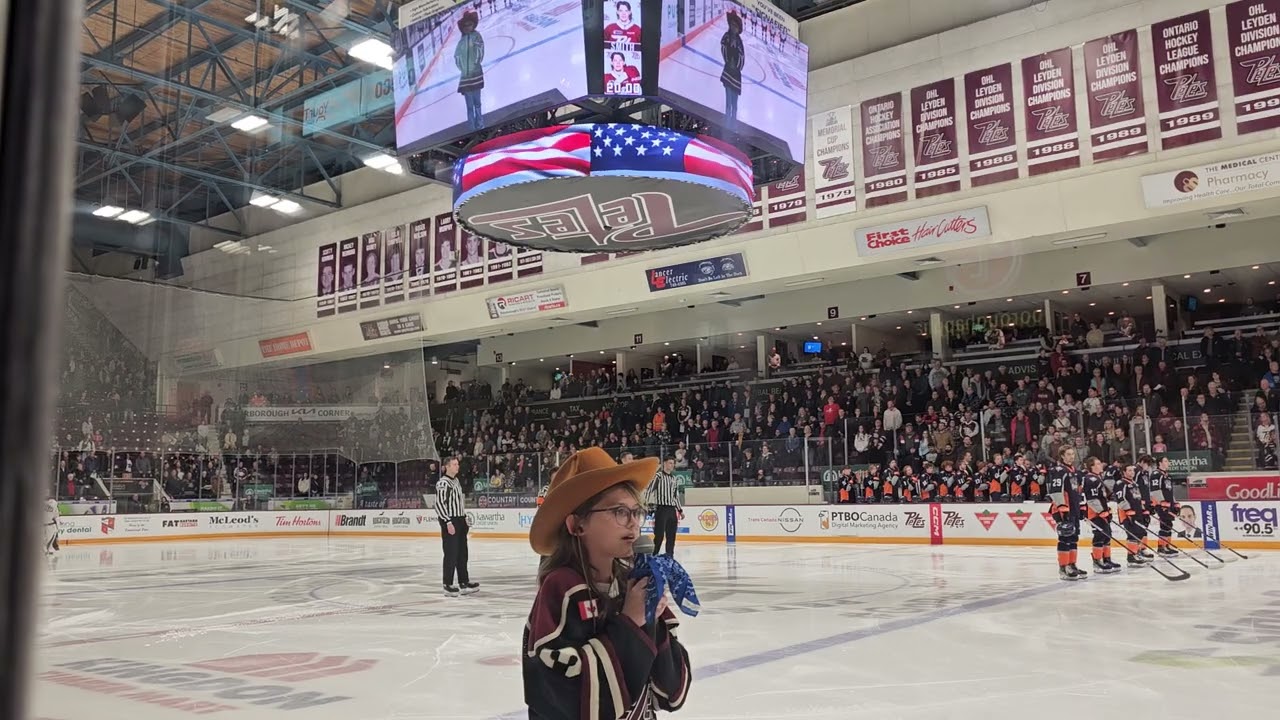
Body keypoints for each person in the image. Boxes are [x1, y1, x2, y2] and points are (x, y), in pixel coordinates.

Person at [524, 448, 692, 719]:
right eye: (620, 511)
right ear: (577, 525)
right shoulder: (561, 589)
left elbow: (670, 694)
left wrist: (652, 619)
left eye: (637, 512)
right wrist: (629, 622)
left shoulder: (631, 583)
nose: (633, 523)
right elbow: (562, 697)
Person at [435, 457, 478, 596]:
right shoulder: (443, 483)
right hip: (450, 520)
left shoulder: (456, 481)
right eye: (454, 464)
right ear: (447, 466)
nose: (457, 466)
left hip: (459, 520)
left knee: (462, 553)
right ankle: (447, 584)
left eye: (457, 464)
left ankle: (463, 582)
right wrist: (447, 522)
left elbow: (459, 503)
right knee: (451, 553)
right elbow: (439, 504)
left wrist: (464, 517)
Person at [1047, 447, 1087, 580]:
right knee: (1065, 538)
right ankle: (1063, 568)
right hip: (1063, 510)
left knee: (1074, 538)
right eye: (1068, 454)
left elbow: (1078, 492)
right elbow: (1056, 491)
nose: (1071, 457)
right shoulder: (1060, 471)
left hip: (1074, 509)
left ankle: (1072, 564)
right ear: (1062, 456)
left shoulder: (1075, 472)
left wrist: (1081, 508)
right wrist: (1063, 509)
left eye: (1073, 454)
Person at [1081, 456, 1121, 574]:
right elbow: (1092, 499)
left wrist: (1106, 510)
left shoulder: (1098, 478)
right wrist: (1101, 511)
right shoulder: (1091, 479)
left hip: (1102, 512)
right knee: (1099, 535)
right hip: (1095, 513)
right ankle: (1097, 561)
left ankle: (1106, 559)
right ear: (1092, 466)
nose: (1101, 465)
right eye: (1097, 463)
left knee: (1107, 535)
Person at [646, 457, 683, 556]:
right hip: (661, 509)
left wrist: (680, 510)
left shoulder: (674, 479)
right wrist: (646, 504)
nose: (672, 465)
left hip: (671, 510)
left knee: (671, 536)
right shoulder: (658, 476)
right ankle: (654, 555)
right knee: (659, 535)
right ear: (665, 464)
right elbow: (650, 490)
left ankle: (669, 556)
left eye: (673, 463)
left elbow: (676, 496)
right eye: (670, 463)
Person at [454, 10, 485, 130]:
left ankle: (480, 124)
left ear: (473, 25)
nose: (467, 27)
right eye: (465, 25)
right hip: (465, 78)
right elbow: (456, 56)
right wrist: (462, 69)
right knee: (469, 105)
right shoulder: (461, 41)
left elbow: (480, 50)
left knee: (477, 103)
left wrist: (475, 64)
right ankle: (472, 127)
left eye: (469, 25)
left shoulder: (476, 36)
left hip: (476, 75)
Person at [1117, 465, 1152, 567]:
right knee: (1132, 534)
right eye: (1129, 470)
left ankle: (1136, 553)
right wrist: (1128, 511)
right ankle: (1131, 556)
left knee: (1139, 533)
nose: (1132, 472)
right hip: (1128, 514)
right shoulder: (1121, 484)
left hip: (1137, 513)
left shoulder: (1134, 484)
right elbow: (1120, 499)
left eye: (1133, 470)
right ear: (1124, 472)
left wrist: (1144, 510)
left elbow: (1138, 498)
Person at [719, 11, 744, 132]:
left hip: (736, 75)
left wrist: (737, 66)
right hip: (728, 71)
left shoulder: (739, 41)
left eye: (735, 25)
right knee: (728, 100)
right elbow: (723, 47)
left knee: (735, 103)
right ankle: (727, 124)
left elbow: (742, 56)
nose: (733, 27)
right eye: (732, 24)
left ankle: (733, 125)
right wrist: (729, 61)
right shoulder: (726, 37)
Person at [1150, 456, 1179, 555]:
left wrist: (1175, 503)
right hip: (1161, 504)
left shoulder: (1167, 475)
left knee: (1169, 524)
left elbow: (1169, 491)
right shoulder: (1156, 474)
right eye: (1166, 461)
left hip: (1168, 503)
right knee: (1165, 524)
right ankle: (1161, 547)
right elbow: (1155, 490)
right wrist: (1162, 502)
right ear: (1160, 463)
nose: (1168, 463)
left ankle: (1166, 546)